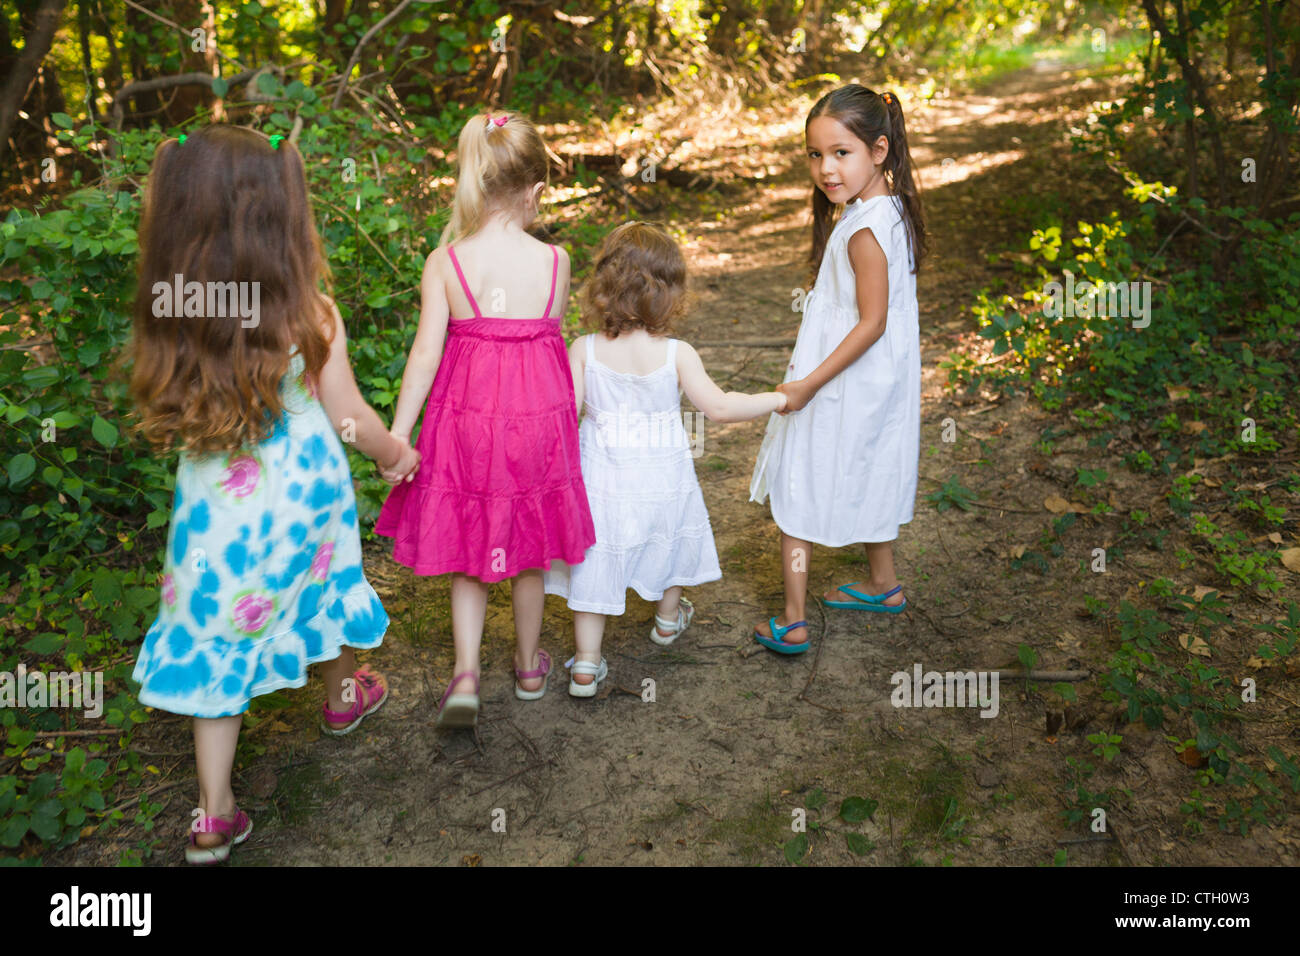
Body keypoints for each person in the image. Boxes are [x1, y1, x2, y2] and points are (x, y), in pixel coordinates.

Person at [130, 125, 416, 863]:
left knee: (217, 632)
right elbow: (350, 417)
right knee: (324, 585)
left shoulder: (174, 310)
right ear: (280, 216)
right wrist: (394, 454)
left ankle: (213, 814)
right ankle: (342, 699)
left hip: (215, 517)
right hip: (305, 500)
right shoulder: (309, 314)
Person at [375, 111, 595, 726]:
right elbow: (547, 340)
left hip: (466, 423)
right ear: (536, 190)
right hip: (536, 422)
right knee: (529, 549)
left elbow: (425, 354)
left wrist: (398, 435)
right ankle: (528, 667)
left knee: (469, 551)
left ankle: (466, 675)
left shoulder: (445, 262)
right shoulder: (556, 261)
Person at [544, 222, 785, 695]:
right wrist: (776, 399)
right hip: (662, 477)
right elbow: (719, 407)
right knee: (670, 538)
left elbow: (564, 416)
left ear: (605, 286)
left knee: (596, 557)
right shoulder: (677, 354)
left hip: (601, 478)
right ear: (669, 293)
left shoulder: (585, 349)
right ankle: (667, 621)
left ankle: (586, 665)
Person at [749, 85, 928, 653]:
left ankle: (793, 619)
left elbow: (872, 322)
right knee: (870, 466)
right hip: (876, 381)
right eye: (815, 154)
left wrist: (807, 383)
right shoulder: (886, 209)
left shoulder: (865, 230)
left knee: (799, 479)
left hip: (843, 381)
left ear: (879, 150)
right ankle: (883, 584)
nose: (826, 168)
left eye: (841, 153)